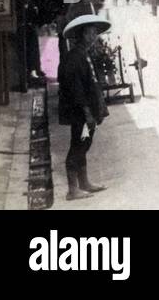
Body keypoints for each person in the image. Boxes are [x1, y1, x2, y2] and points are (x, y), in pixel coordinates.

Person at [57, 23, 109, 199]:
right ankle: (73, 189)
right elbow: (76, 88)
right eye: (90, 33)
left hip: (86, 109)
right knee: (78, 145)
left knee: (84, 143)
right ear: (82, 36)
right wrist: (87, 112)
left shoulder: (84, 54)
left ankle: (84, 182)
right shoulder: (74, 57)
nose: (93, 37)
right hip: (79, 111)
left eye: (94, 33)